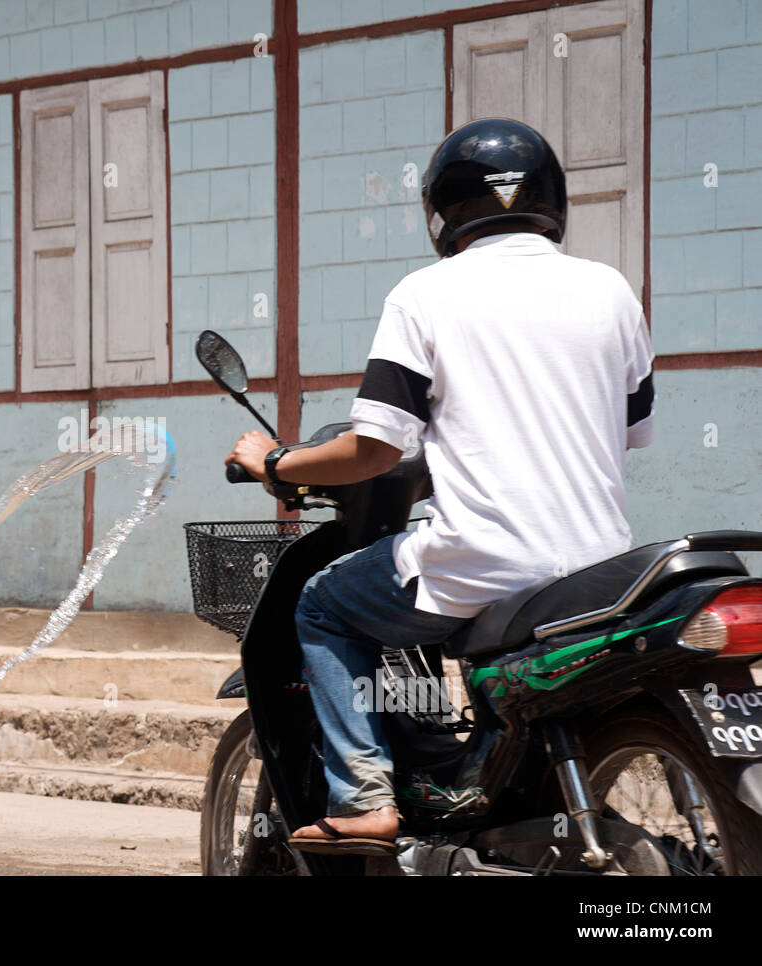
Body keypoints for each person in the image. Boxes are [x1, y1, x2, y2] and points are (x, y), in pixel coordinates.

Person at [225, 117, 655, 855]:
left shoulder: (425, 294)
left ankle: (364, 800)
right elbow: (629, 431)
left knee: (323, 605)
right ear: (552, 199)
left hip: (486, 561)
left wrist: (275, 463)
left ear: (443, 209)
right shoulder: (610, 289)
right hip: (601, 569)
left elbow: (371, 449)